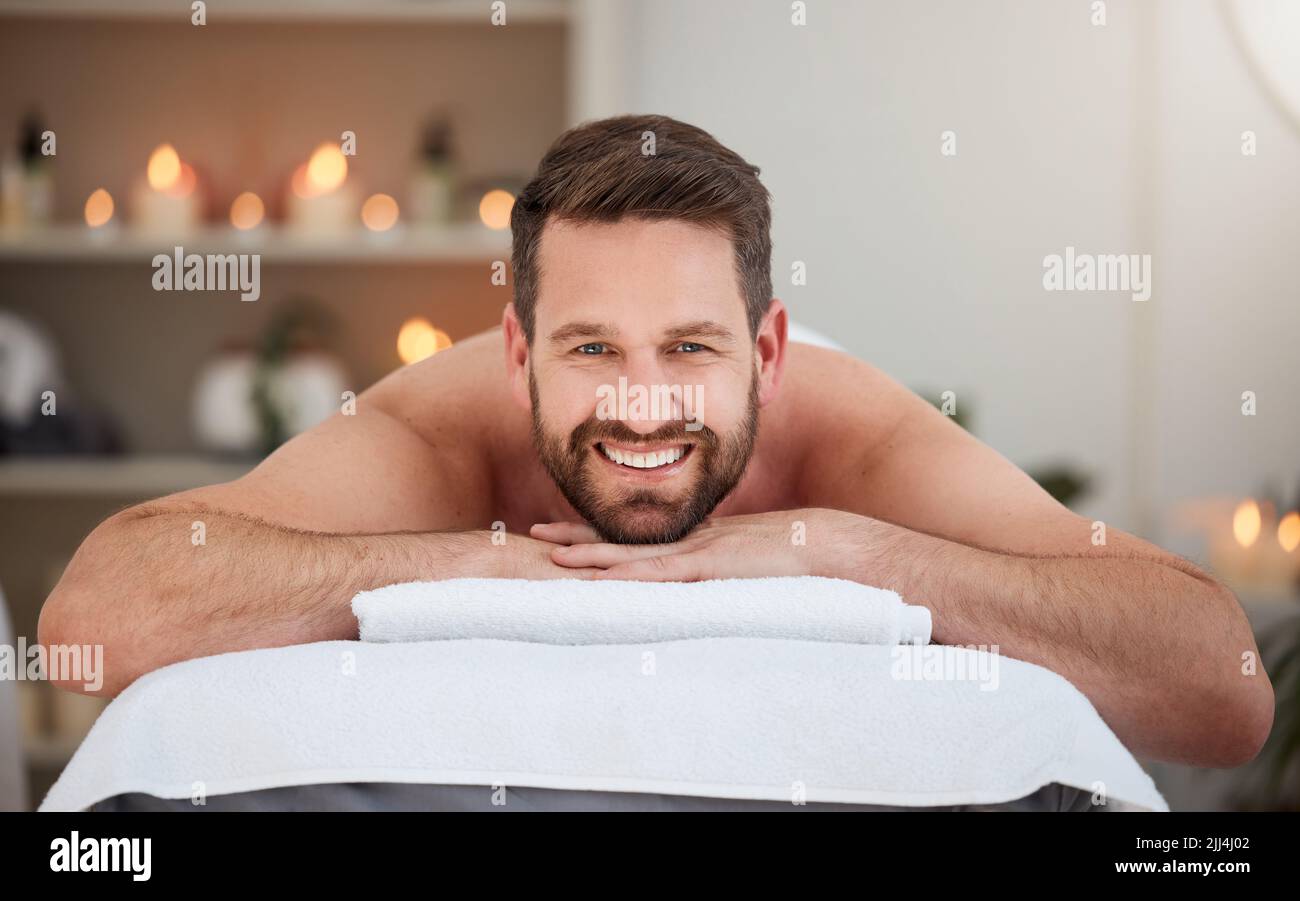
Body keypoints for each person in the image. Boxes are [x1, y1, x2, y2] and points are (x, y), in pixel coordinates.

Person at [39, 114, 1272, 768]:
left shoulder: (855, 444)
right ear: (517, 351)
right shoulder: (429, 440)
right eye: (590, 351)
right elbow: (93, 618)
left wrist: (852, 550)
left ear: (769, 353)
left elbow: (1222, 688)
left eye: (689, 348)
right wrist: (447, 560)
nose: (640, 408)